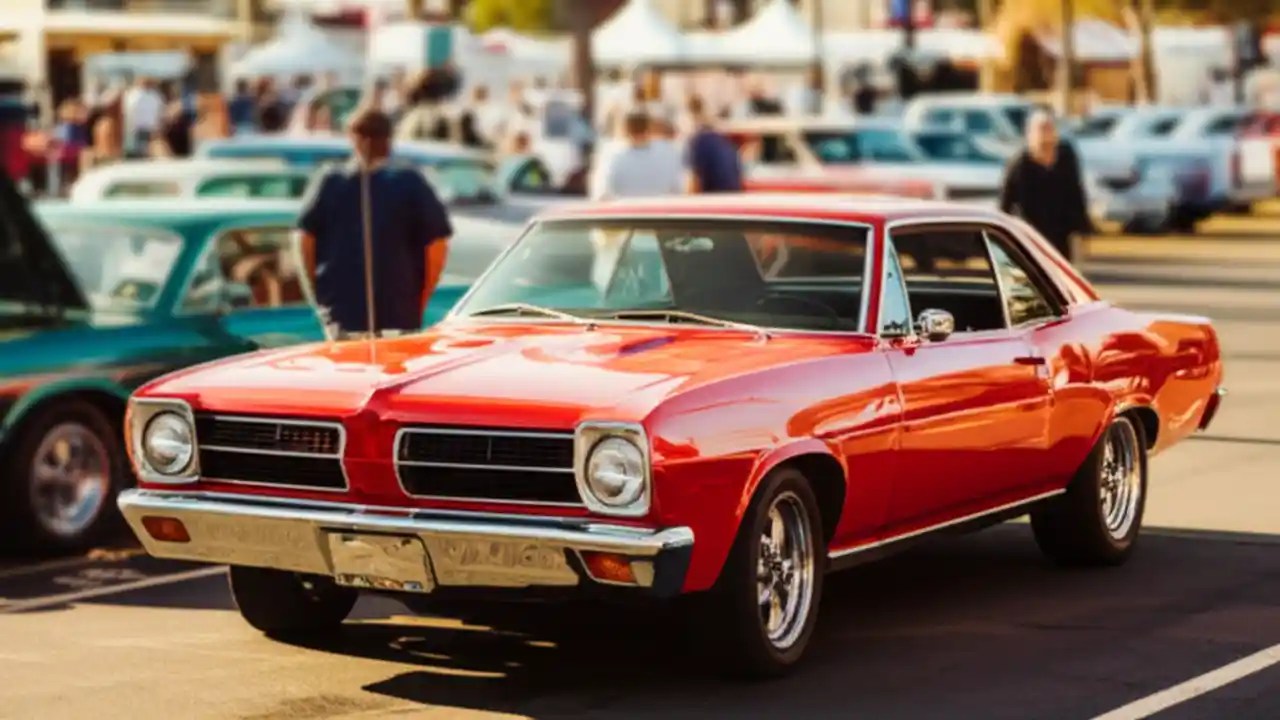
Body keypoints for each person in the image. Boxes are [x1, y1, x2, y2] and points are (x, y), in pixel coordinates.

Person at [297, 106, 452, 337]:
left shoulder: (330, 182)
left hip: (343, 314)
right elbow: (437, 246)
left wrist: (318, 296)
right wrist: (421, 297)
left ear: (352, 139)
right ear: (389, 140)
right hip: (397, 313)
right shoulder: (410, 183)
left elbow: (304, 241)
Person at [999, 110, 1093, 263]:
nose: (1045, 135)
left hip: (1061, 235)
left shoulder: (1066, 158)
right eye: (1041, 129)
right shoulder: (1019, 165)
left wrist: (1083, 229)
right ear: (1030, 134)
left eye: (1049, 128)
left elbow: (1076, 194)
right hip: (1030, 236)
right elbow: (1005, 204)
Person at [589, 110, 684, 200]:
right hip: (662, 214)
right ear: (649, 127)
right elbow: (678, 189)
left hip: (622, 214)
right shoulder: (668, 152)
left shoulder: (611, 154)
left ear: (625, 128)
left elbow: (600, 194)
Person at [684, 95, 743, 194]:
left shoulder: (701, 141)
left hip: (714, 197)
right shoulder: (725, 142)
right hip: (733, 197)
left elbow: (694, 181)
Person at [121, 77, 164, 158]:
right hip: (137, 129)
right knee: (138, 153)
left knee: (149, 153)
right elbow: (128, 112)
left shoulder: (155, 96)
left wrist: (158, 127)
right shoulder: (133, 95)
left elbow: (159, 112)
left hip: (151, 130)